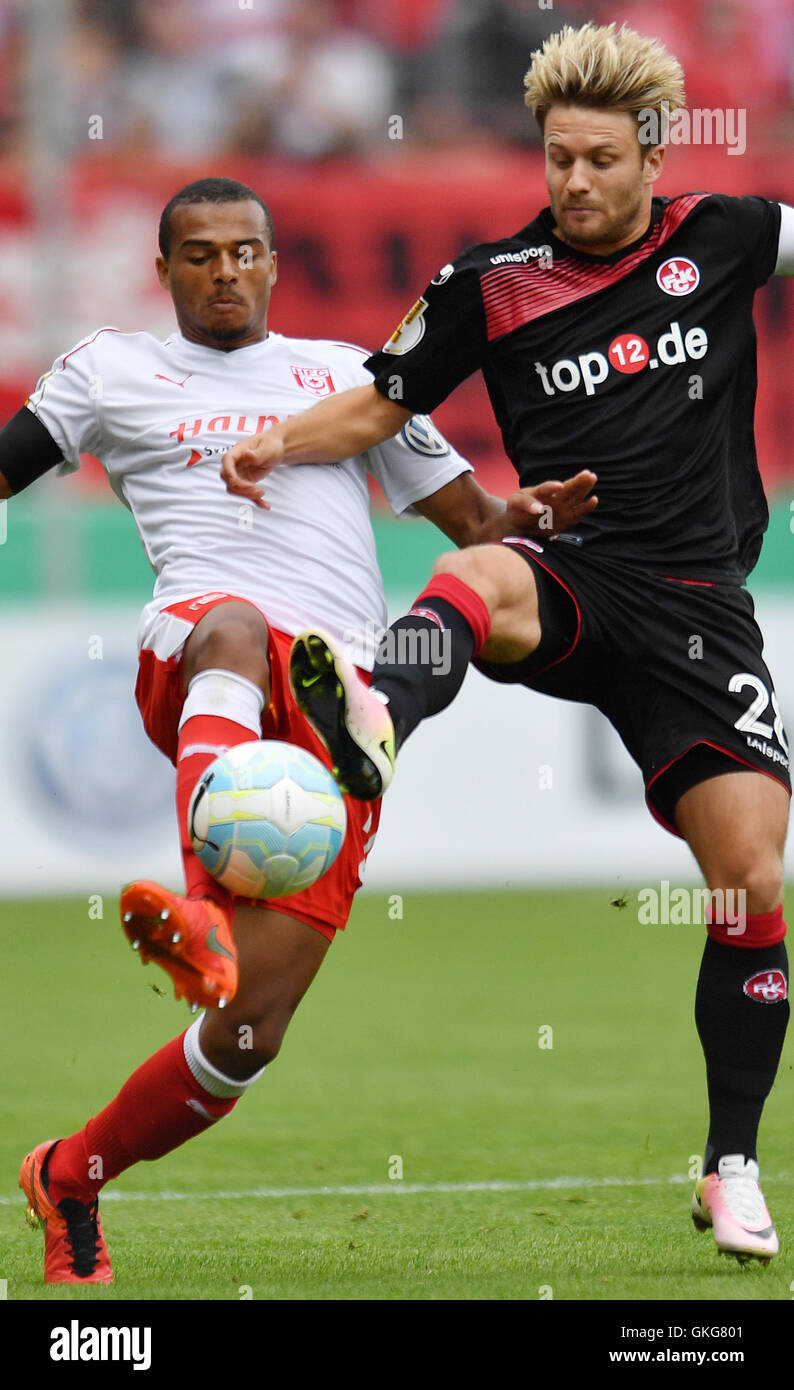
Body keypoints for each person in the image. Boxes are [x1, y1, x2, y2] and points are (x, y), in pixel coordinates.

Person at [221, 24, 794, 1266]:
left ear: (649, 154)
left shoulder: (726, 234)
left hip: (699, 608)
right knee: (476, 572)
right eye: (555, 160)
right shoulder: (491, 281)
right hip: (572, 570)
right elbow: (382, 400)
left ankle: (729, 1166)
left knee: (750, 882)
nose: (573, 182)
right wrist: (274, 443)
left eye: (596, 160)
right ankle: (370, 719)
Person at [0, 176, 594, 1284]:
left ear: (274, 264)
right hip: (201, 648)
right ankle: (196, 904)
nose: (224, 270)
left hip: (344, 710)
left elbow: (471, 521)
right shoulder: (110, 368)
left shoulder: (352, 382)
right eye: (199, 254)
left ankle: (70, 1173)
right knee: (229, 623)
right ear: (164, 266)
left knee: (245, 1037)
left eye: (244, 252)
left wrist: (525, 515)